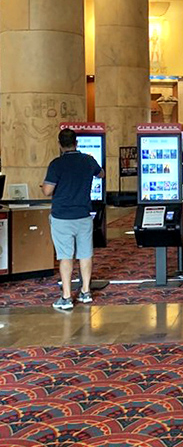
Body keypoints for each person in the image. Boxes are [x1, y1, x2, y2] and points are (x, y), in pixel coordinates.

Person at [41, 128, 104, 311]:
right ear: (77, 143)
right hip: (83, 214)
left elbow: (47, 190)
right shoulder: (88, 160)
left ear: (60, 145)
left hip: (62, 216)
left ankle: (67, 297)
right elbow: (101, 174)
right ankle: (85, 292)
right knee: (85, 254)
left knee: (65, 256)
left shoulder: (56, 164)